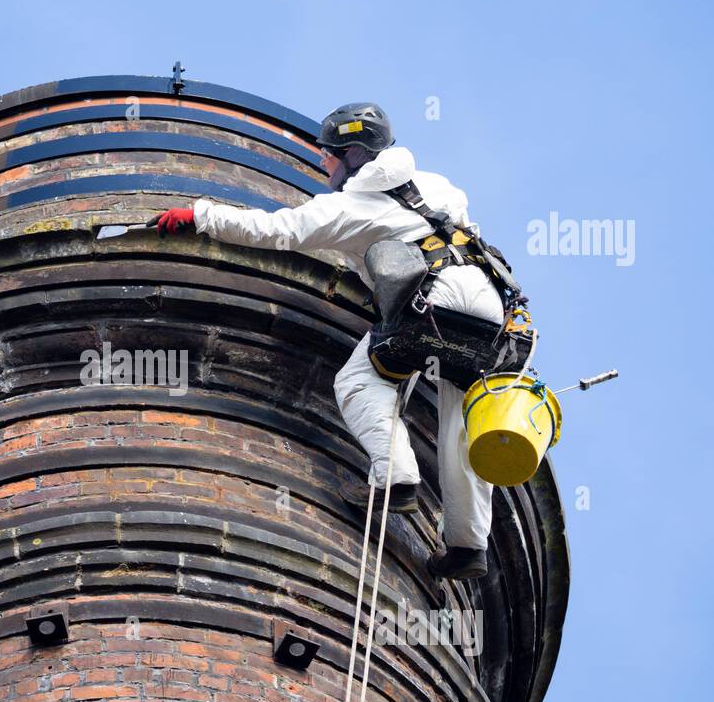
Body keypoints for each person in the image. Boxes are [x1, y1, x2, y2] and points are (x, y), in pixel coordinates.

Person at [153, 103, 513, 581]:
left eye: (328, 154)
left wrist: (198, 214)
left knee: (359, 380)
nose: (322, 163)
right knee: (461, 419)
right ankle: (469, 546)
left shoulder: (344, 208)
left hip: (433, 305)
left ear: (353, 155)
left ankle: (396, 477)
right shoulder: (437, 185)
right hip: (492, 310)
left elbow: (274, 231)